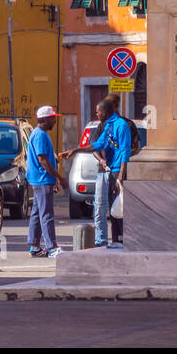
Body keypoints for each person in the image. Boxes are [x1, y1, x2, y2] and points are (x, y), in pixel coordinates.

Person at [64, 97, 132, 249]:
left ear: (106, 112)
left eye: (98, 112)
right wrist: (75, 150)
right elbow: (96, 145)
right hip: (105, 172)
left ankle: (120, 239)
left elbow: (125, 151)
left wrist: (120, 177)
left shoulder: (122, 125)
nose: (96, 114)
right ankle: (105, 240)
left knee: (118, 208)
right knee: (102, 206)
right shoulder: (107, 126)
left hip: (116, 172)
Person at [25, 105, 64, 259]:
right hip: (42, 179)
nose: (55, 121)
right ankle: (52, 247)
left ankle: (34, 245)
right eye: (53, 118)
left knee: (36, 213)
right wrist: (58, 178)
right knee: (46, 214)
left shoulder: (38, 133)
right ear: (45, 119)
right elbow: (42, 160)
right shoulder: (40, 135)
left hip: (39, 179)